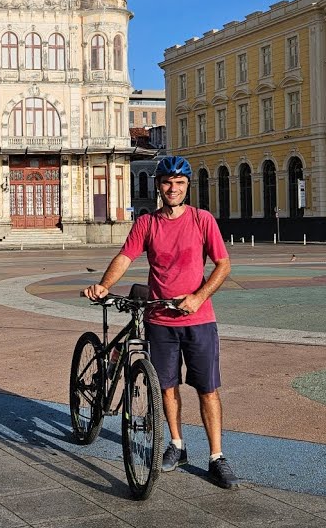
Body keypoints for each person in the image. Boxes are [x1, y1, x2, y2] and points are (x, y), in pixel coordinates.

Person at [83, 155, 238, 489]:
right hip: (160, 320)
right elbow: (125, 256)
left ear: (187, 187)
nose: (173, 188)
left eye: (179, 183)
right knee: (166, 387)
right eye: (167, 182)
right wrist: (104, 285)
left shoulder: (202, 220)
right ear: (158, 186)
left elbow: (223, 264)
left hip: (199, 320)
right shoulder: (147, 223)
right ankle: (177, 446)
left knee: (207, 389)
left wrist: (198, 297)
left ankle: (216, 457)